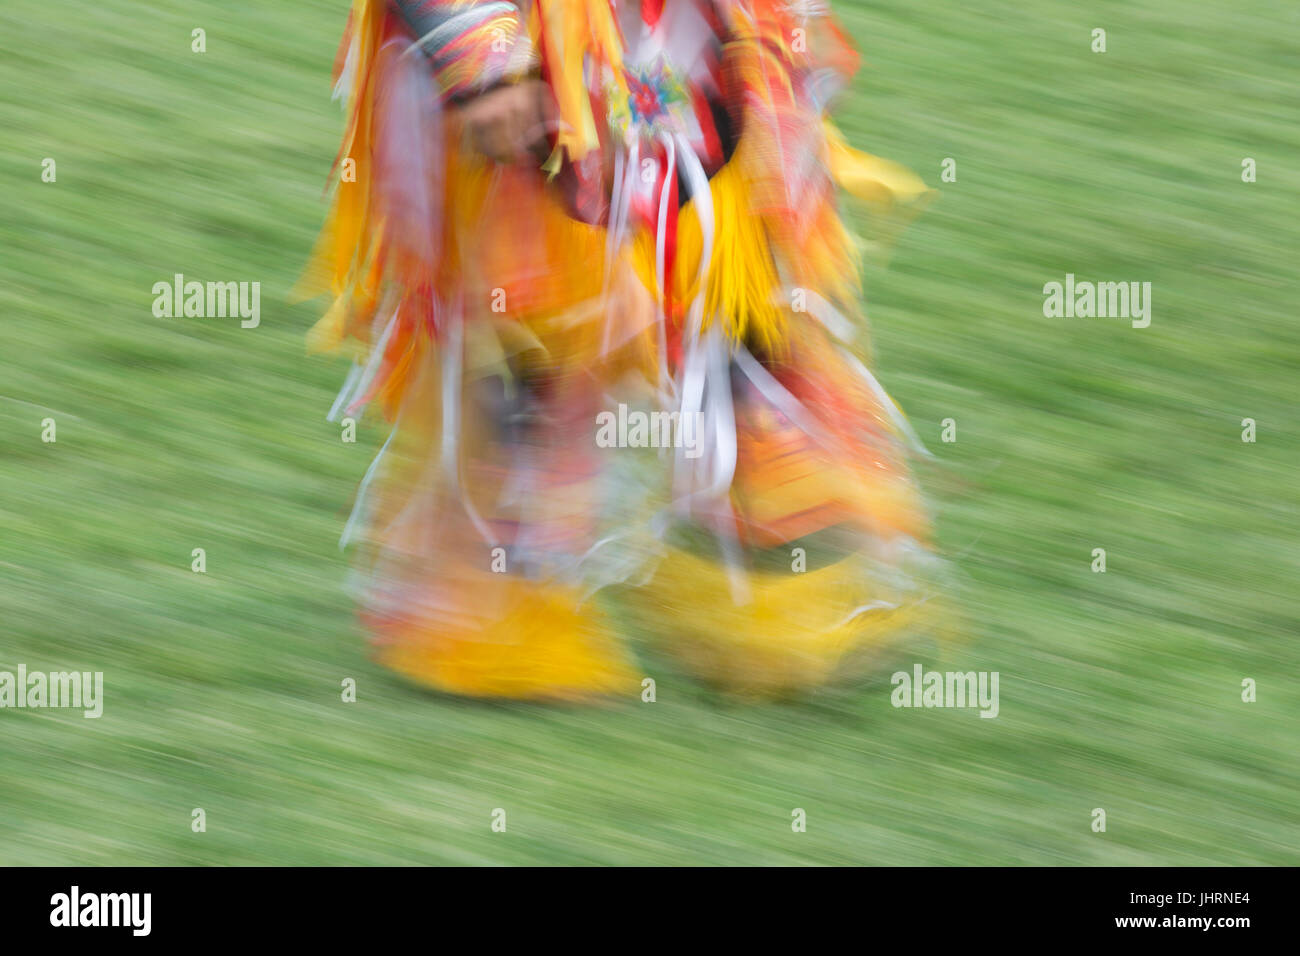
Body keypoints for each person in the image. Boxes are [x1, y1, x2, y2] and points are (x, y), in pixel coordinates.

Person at [302, 0, 938, 699]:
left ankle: (764, 594)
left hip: (696, 55)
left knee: (742, 308)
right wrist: (479, 60)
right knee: (544, 333)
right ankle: (493, 616)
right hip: (543, 59)